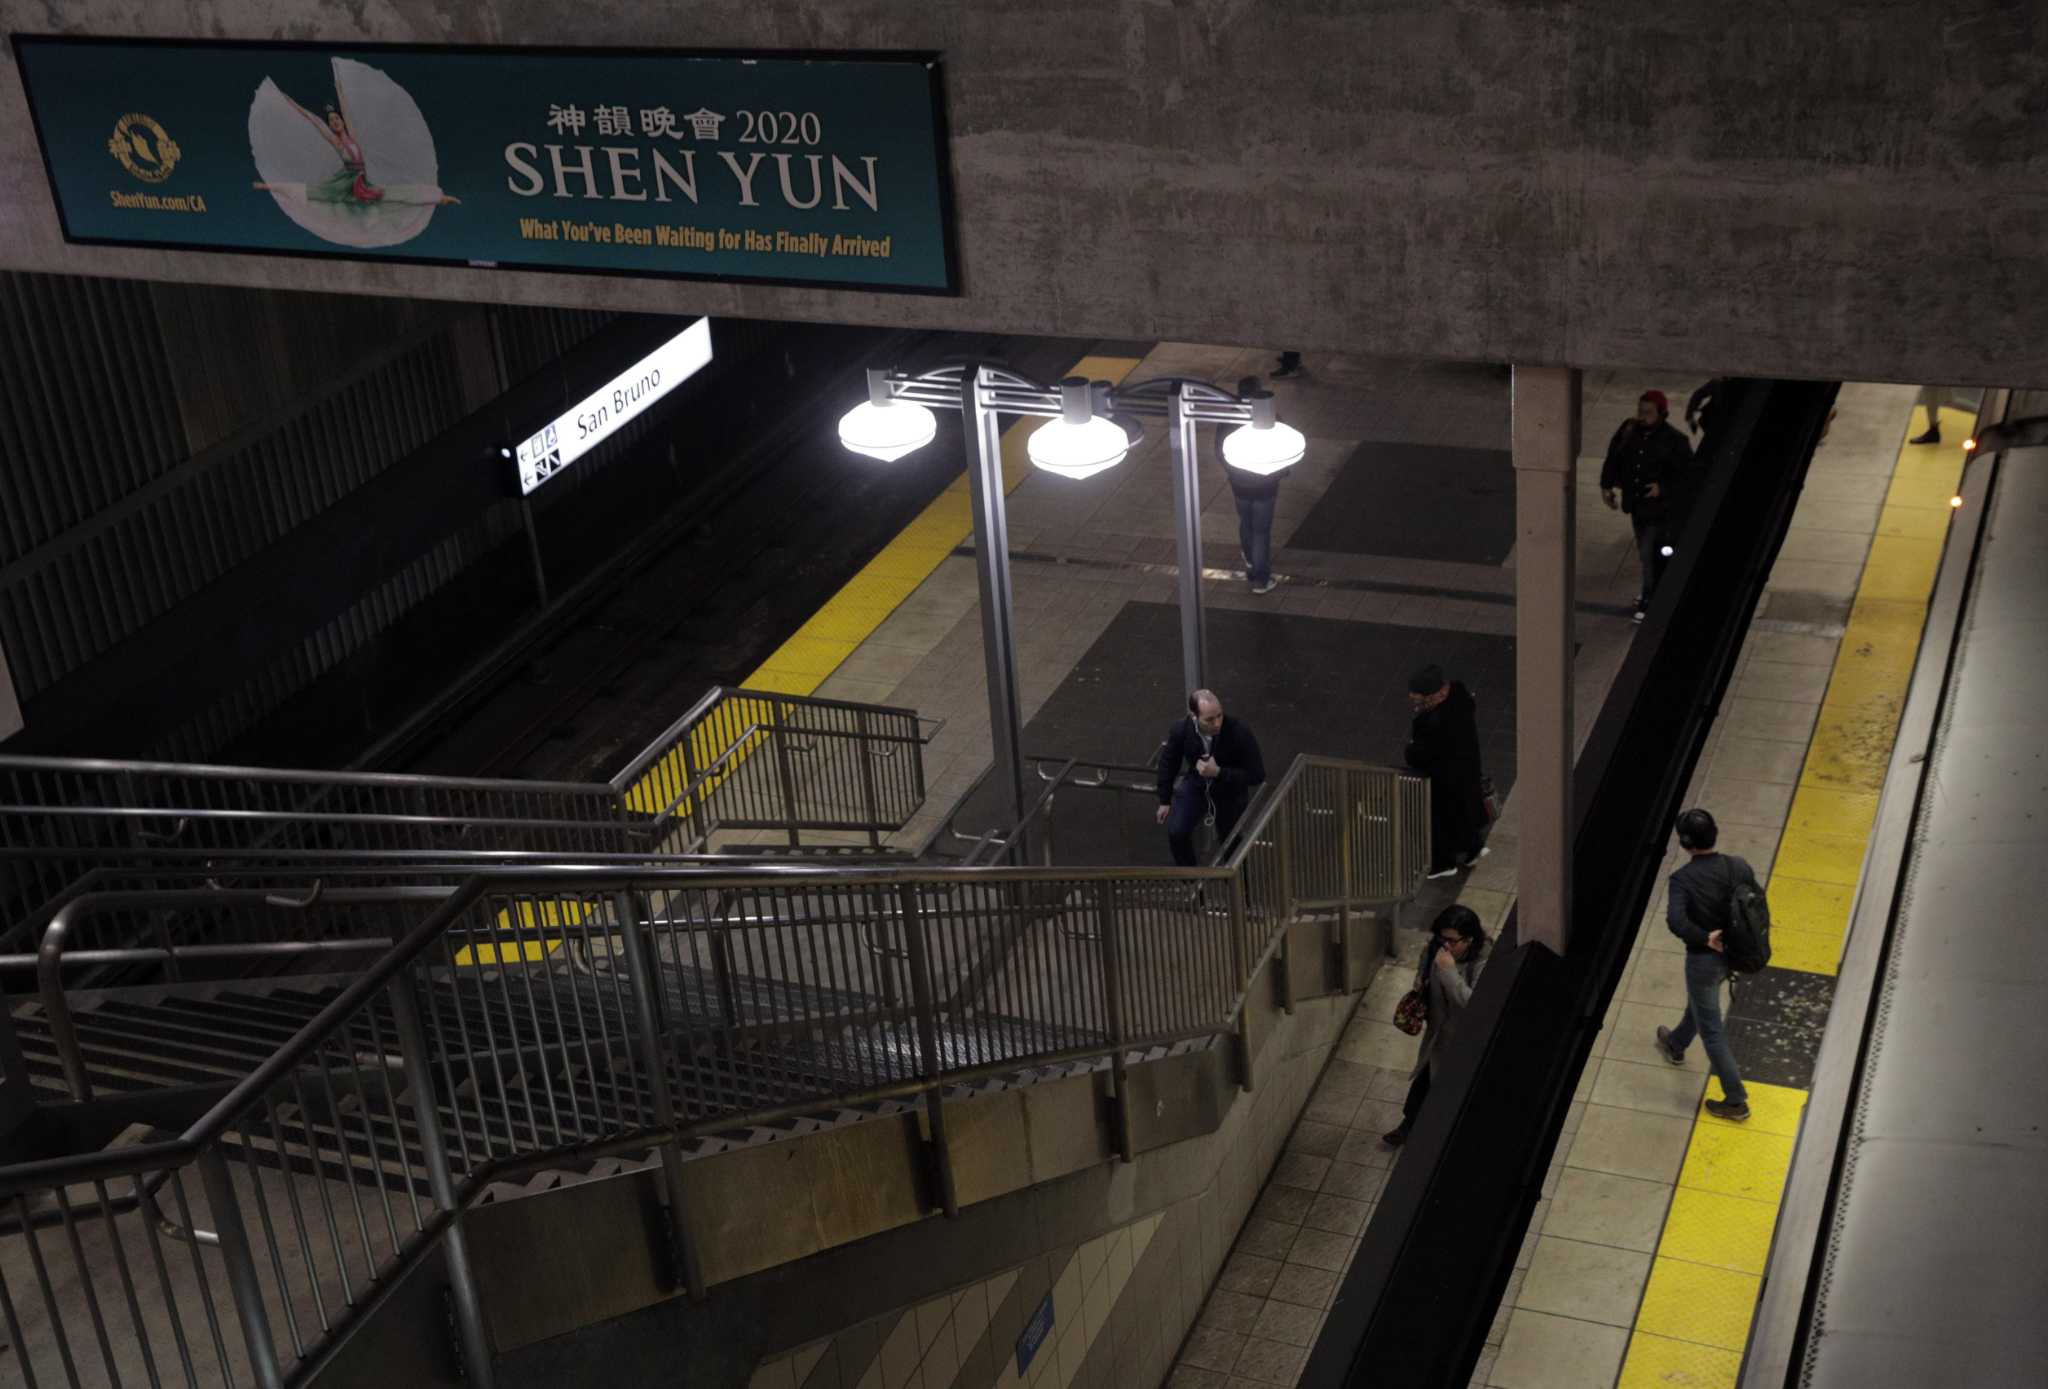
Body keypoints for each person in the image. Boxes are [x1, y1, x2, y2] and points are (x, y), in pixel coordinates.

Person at [1652, 809, 1752, 1121]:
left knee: (1712, 1031)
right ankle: (1677, 1043)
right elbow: (1752, 903)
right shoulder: (1738, 865)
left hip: (1704, 961)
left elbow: (1675, 920)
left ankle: (1736, 1100)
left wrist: (1703, 937)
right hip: (1734, 953)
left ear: (1684, 843)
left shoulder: (1682, 880)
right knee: (1700, 1004)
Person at [1384, 904, 1487, 1146]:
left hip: (1464, 1039)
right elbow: (1425, 959)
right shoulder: (1437, 947)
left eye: (1453, 941)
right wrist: (1421, 978)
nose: (1446, 946)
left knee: (1451, 1086)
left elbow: (1475, 1003)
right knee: (1425, 1079)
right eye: (1443, 939)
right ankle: (1409, 1125)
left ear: (1470, 939)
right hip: (1438, 1033)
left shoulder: (1481, 963)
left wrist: (1450, 972)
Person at [1600, 389, 1695, 622]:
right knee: (1646, 553)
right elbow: (1614, 457)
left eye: (1648, 412)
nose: (1643, 416)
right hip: (1637, 505)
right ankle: (1649, 591)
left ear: (1662, 414)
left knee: (1649, 552)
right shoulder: (1629, 430)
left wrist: (1662, 488)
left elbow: (1689, 477)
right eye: (1640, 411)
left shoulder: (1675, 441)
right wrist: (1607, 486)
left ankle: (1649, 600)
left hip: (1661, 510)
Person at [1155, 689, 1266, 867]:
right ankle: (1192, 882)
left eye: (1219, 716)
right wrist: (1164, 799)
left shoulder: (1238, 730)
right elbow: (1168, 762)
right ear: (1193, 716)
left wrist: (1219, 772)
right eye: (1209, 719)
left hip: (1229, 790)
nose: (1217, 723)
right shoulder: (1181, 729)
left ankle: (1239, 887)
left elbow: (1257, 775)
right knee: (1177, 832)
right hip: (1197, 784)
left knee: (1231, 842)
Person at [1404, 666, 1489, 879]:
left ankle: (1443, 864)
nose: (1411, 697)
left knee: (1437, 821)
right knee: (1466, 810)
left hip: (1445, 781)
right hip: (1467, 771)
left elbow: (1419, 755)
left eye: (1416, 693)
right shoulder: (1459, 697)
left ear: (1431, 695)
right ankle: (1473, 852)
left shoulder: (1432, 723)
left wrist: (1410, 748)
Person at [1223, 376, 1289, 595]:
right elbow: (1284, 446)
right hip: (1265, 485)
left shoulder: (1227, 417)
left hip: (1239, 483)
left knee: (1246, 521)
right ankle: (1260, 578)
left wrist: (1232, 471)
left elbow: (1219, 450)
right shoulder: (1269, 416)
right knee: (1261, 531)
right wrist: (1281, 472)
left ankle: (1250, 560)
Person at [1685, 378, 1728, 443]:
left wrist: (1690, 415)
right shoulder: (1718, 385)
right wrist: (1690, 415)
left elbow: (1697, 395)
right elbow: (1697, 395)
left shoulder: (1718, 385)